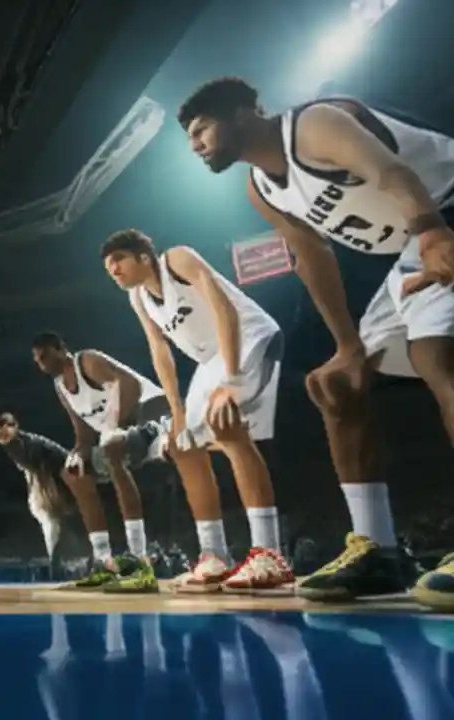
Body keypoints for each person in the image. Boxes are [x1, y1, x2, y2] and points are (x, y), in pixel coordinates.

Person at [176, 77, 450, 603]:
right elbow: (312, 259)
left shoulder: (313, 124)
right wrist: (347, 346)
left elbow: (392, 172)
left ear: (244, 113)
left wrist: (434, 232)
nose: (195, 144)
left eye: (201, 128)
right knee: (334, 386)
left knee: (437, 354)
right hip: (418, 243)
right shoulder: (261, 188)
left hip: (440, 217)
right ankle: (377, 551)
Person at [102, 229, 295, 593]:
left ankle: (270, 555)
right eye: (107, 266)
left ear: (144, 257)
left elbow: (223, 305)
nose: (113, 270)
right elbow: (160, 352)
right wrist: (176, 413)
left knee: (226, 425)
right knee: (180, 445)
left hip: (248, 336)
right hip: (210, 361)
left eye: (118, 260)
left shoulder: (176, 258)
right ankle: (214, 555)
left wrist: (233, 381)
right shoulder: (138, 298)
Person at [0, 407, 163, 592]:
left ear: (14, 427)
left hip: (73, 469)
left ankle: (148, 435)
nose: (1, 432)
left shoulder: (25, 445)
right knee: (111, 468)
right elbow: (34, 472)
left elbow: (44, 470)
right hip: (68, 475)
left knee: (111, 461)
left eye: (5, 426)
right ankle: (102, 561)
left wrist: (51, 496)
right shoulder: (15, 447)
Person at [31, 332, 170, 563]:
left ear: (59, 347)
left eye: (44, 356)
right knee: (73, 473)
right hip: (120, 435)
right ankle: (103, 559)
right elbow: (83, 434)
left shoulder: (86, 361)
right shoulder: (61, 387)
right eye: (37, 360)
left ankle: (139, 555)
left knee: (112, 450)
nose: (41, 364)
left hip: (152, 416)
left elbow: (131, 384)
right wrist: (77, 453)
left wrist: (117, 428)